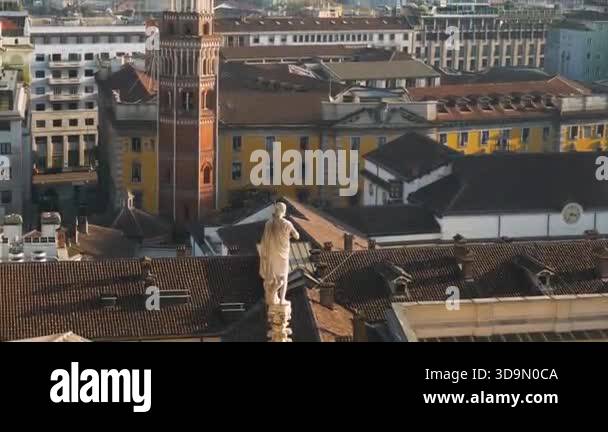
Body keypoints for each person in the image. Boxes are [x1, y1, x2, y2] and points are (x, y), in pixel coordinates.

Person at [258, 202, 300, 305]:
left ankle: (274, 296)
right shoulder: (287, 224)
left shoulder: (268, 223)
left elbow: (264, 240)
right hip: (283, 254)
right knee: (284, 278)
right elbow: (297, 236)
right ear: (284, 211)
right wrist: (289, 235)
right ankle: (281, 300)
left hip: (271, 254)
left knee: (272, 277)